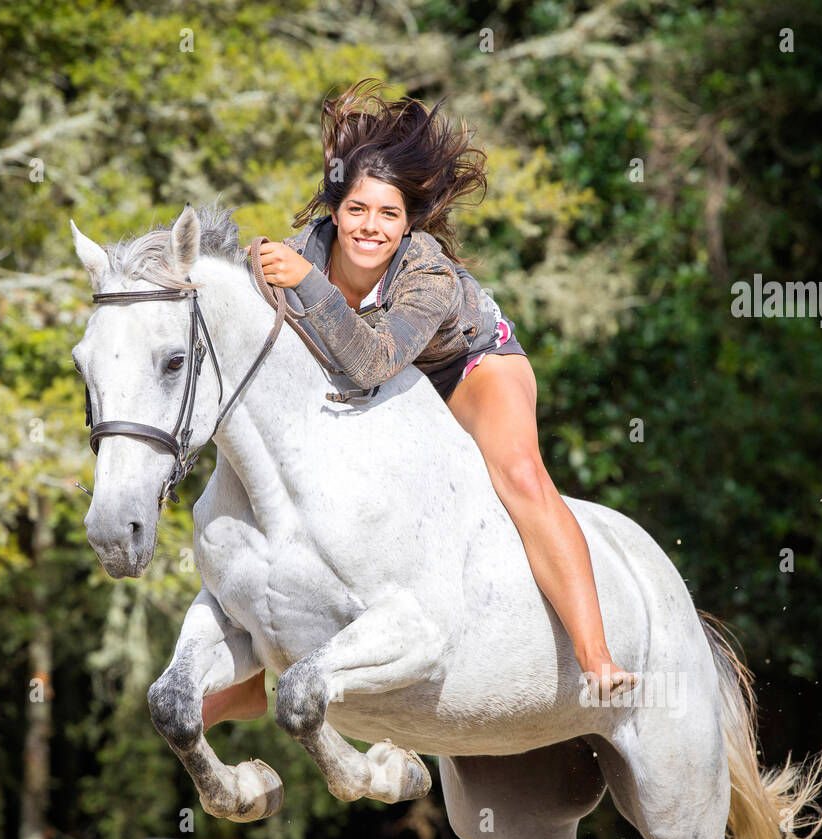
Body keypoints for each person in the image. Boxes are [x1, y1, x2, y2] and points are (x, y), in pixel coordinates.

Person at [202, 78, 638, 729]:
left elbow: (375, 359)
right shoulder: (299, 255)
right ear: (334, 210)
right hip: (380, 389)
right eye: (357, 211)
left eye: (388, 216)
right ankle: (246, 681)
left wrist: (311, 291)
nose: (370, 228)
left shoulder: (427, 271)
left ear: (408, 223)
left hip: (468, 369)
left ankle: (596, 656)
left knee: (519, 474)